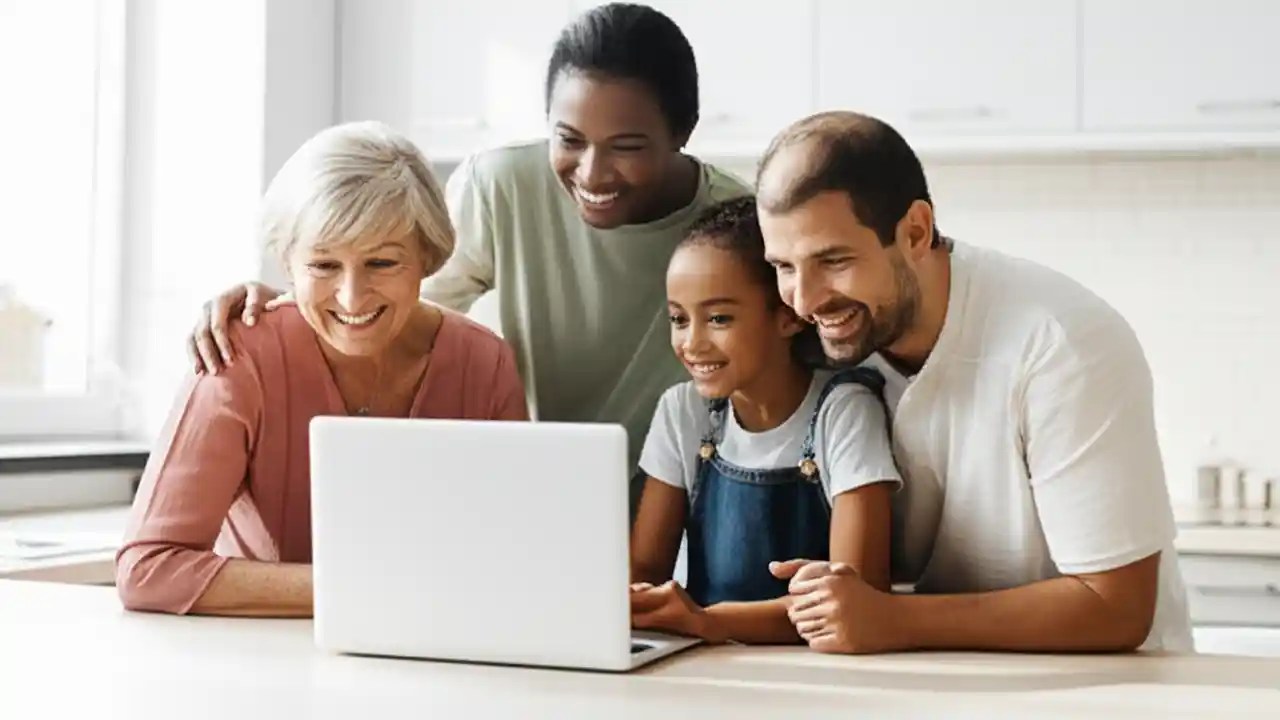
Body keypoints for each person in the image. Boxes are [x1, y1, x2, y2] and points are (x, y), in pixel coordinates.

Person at [184, 4, 750, 487]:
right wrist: (288, 306)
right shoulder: (502, 186)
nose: (593, 173)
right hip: (526, 488)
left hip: (684, 498)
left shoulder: (736, 223)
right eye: (569, 139)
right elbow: (386, 310)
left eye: (626, 146)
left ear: (684, 131)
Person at [757, 111, 1193, 653]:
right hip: (942, 683)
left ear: (915, 231)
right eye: (785, 266)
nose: (805, 299)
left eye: (834, 260)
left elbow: (1115, 608)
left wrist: (893, 618)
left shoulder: (1061, 343)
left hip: (1112, 695)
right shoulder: (833, 340)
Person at [115, 121, 527, 617]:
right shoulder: (239, 354)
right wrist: (365, 590)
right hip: (259, 664)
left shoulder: (485, 363)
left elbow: (512, 560)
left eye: (382, 263)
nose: (352, 297)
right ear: (288, 264)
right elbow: (149, 570)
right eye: (324, 266)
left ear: (427, 257)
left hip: (437, 656)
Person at [628, 197, 900, 644]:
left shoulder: (843, 410)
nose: (691, 343)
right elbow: (645, 571)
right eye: (678, 318)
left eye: (718, 318)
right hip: (705, 663)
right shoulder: (683, 411)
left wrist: (704, 620)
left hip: (818, 668)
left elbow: (858, 595)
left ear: (789, 315)